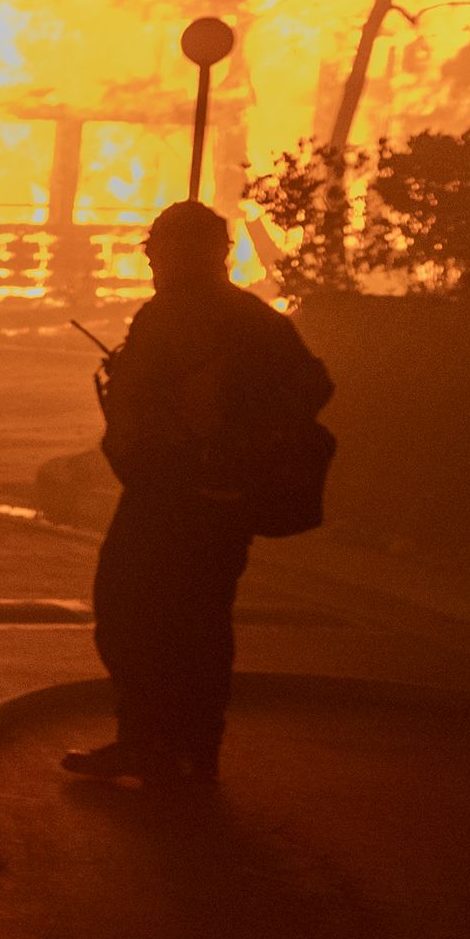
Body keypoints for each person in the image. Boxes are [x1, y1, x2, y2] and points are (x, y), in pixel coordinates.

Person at [67, 200, 331, 790]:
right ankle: (182, 750)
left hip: (176, 496)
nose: (155, 261)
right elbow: (313, 383)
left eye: (160, 249)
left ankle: (156, 744)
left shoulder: (182, 316)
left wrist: (219, 416)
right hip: (208, 498)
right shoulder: (252, 318)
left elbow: (301, 389)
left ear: (189, 252)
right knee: (196, 623)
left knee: (134, 613)